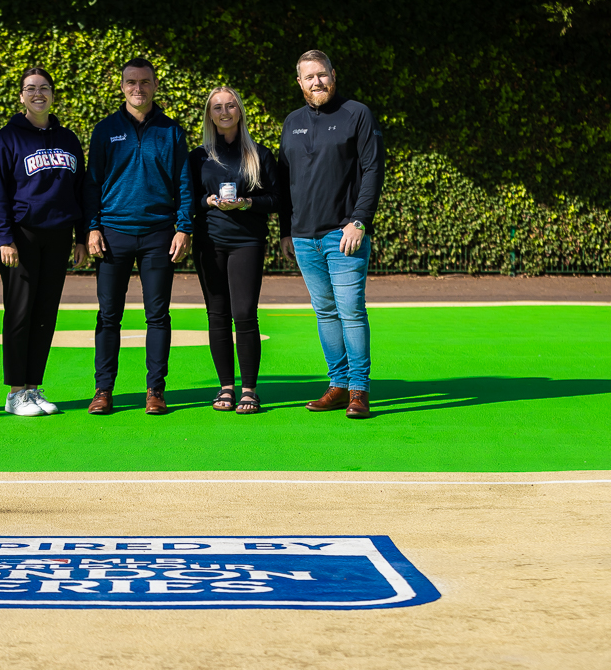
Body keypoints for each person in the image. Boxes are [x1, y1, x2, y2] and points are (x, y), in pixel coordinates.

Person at [277, 49, 385, 418]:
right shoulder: (292, 122)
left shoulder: (357, 113)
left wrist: (359, 220)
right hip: (304, 237)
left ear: (333, 75)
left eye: (321, 74)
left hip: (344, 235)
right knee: (325, 312)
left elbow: (373, 170)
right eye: (309, 77)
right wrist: (286, 230)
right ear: (299, 83)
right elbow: (284, 181)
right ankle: (337, 385)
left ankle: (359, 390)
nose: (317, 82)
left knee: (351, 311)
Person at [84, 57, 193, 415]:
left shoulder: (172, 131)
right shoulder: (104, 130)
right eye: (131, 82)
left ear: (155, 85)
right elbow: (92, 183)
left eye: (145, 82)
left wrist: (183, 228)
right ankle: (103, 390)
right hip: (113, 234)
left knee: (157, 316)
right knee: (108, 316)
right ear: (122, 87)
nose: (138, 88)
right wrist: (92, 226)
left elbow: (183, 184)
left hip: (158, 234)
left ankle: (155, 390)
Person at [0, 66, 88, 416]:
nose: (38, 94)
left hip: (59, 235)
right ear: (21, 97)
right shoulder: (7, 138)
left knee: (46, 313)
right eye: (30, 88)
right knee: (20, 312)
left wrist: (80, 237)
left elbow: (80, 190)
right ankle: (15, 392)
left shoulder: (68, 139)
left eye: (44, 88)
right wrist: (4, 237)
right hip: (21, 236)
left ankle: (33, 387)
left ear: (53, 95)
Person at [190, 87, 281, 415]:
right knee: (217, 315)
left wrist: (246, 203)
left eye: (230, 106)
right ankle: (226, 386)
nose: (224, 112)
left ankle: (249, 389)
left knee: (244, 313)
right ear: (209, 114)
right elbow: (188, 200)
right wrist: (208, 201)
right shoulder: (198, 157)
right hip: (209, 242)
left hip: (247, 242)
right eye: (217, 107)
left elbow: (277, 200)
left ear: (239, 111)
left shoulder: (259, 154)